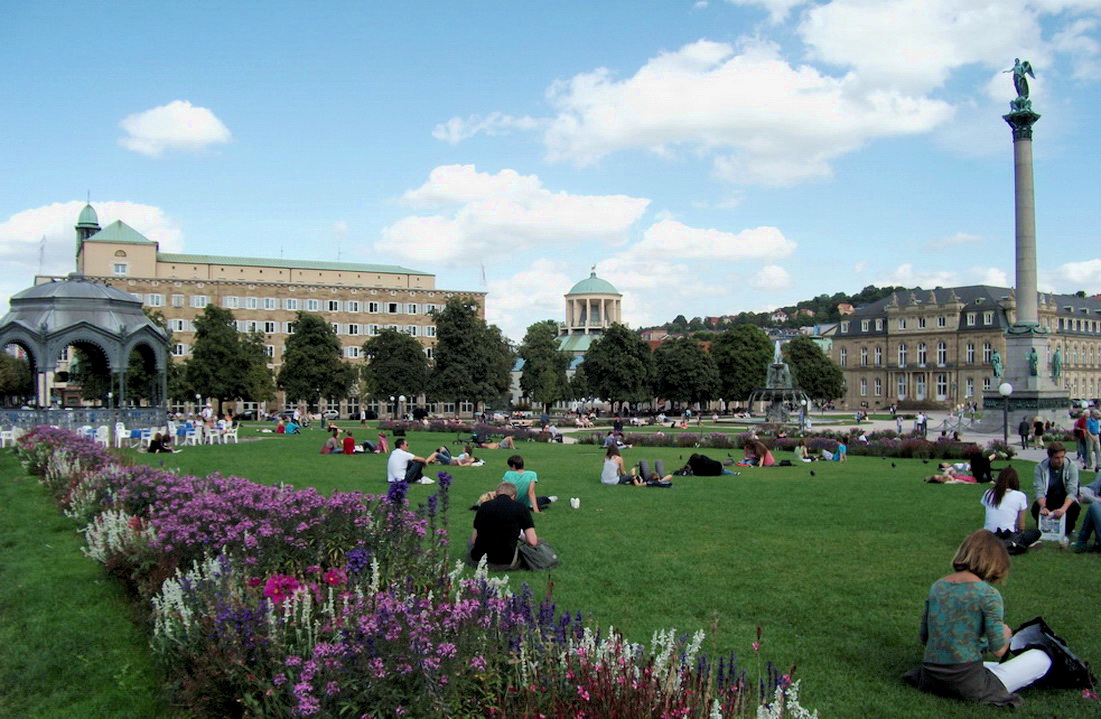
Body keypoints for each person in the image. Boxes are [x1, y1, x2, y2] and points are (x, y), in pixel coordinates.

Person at [902, 530, 1051, 707]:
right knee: (1042, 658)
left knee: (985, 665)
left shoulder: (938, 586)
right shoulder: (988, 595)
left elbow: (925, 637)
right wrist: (1005, 633)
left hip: (931, 675)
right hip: (967, 682)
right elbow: (999, 650)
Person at [469, 482, 537, 570]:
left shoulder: (484, 506)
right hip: (507, 562)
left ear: (496, 494)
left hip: (479, 561)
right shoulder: (521, 507)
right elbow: (532, 541)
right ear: (514, 496)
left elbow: (474, 539)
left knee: (470, 543)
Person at [1031, 441, 1080, 535]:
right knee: (1035, 507)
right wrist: (1043, 507)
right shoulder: (1040, 468)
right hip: (1048, 498)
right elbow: (1039, 491)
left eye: (1062, 457)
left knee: (1074, 507)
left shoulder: (1071, 467)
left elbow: (1072, 491)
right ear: (1050, 457)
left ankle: (1067, 529)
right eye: (1057, 458)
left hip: (1064, 498)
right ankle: (1044, 526)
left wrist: (1063, 509)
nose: (1060, 460)